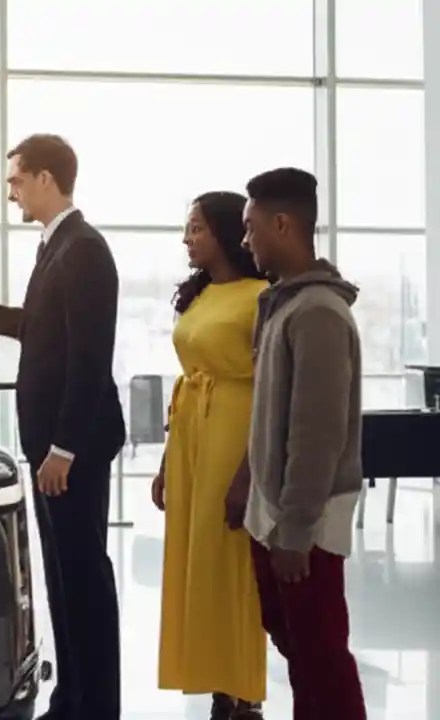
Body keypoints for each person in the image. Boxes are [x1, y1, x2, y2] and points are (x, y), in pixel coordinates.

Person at [0, 134, 123, 720]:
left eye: (16, 180)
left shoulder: (83, 249)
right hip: (53, 448)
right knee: (63, 577)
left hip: (71, 449)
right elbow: (39, 329)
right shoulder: (57, 246)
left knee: (83, 577)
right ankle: (74, 700)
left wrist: (63, 447)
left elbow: (89, 359)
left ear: (45, 178)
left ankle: (94, 708)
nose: (10, 191)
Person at [241, 167, 366, 720]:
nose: (246, 241)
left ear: (283, 224)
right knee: (302, 655)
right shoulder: (285, 304)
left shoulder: (317, 312)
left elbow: (316, 434)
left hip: (304, 522)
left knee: (321, 658)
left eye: (251, 228)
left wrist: (293, 531)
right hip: (277, 513)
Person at [153, 191, 269, 719]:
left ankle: (243, 689)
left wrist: (250, 471)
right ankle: (217, 682)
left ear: (223, 232)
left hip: (232, 433)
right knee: (197, 561)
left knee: (232, 563)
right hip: (191, 437)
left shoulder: (262, 295)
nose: (186, 238)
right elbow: (186, 378)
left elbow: (271, 384)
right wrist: (163, 463)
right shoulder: (201, 295)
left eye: (196, 228)